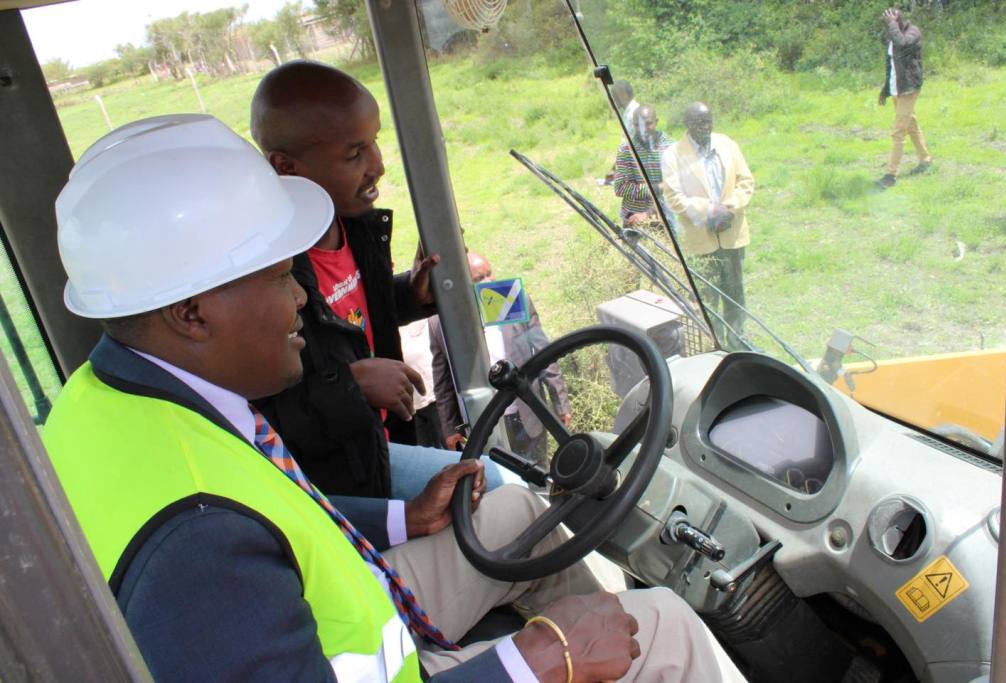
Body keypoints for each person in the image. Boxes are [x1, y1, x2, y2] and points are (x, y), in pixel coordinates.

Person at [43, 113, 745, 683]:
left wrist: (403, 517)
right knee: (665, 623)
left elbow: (274, 518)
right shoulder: (196, 548)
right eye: (282, 278)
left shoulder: (112, 396)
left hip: (339, 612)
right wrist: (537, 662)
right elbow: (229, 536)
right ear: (192, 314)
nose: (301, 300)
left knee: (514, 513)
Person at [249, 60, 506, 501]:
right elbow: (269, 415)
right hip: (339, 472)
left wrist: (409, 294)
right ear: (286, 167)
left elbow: (347, 313)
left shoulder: (355, 229)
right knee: (496, 486)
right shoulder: (268, 273)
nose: (379, 166)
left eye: (375, 143)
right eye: (355, 154)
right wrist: (352, 387)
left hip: (381, 437)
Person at [429, 252, 571, 468]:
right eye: (479, 279)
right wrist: (449, 428)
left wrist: (561, 404)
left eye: (489, 273)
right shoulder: (440, 323)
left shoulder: (513, 301)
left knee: (538, 471)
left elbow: (544, 353)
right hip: (484, 422)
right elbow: (443, 381)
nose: (489, 282)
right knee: (498, 476)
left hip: (526, 413)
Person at [660, 102, 755, 349]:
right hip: (700, 239)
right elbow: (673, 197)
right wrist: (709, 211)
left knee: (735, 292)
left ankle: (737, 341)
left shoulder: (727, 144)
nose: (705, 127)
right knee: (708, 297)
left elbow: (745, 181)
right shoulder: (672, 155)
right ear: (687, 124)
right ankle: (715, 347)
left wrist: (729, 208)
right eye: (699, 122)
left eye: (708, 121)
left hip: (731, 232)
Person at [876, 7, 932, 189]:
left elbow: (902, 43)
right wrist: (885, 90)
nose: (888, 26)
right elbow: (891, 66)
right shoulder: (891, 36)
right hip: (897, 88)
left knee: (898, 132)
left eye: (891, 22)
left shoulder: (913, 32)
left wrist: (892, 24)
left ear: (898, 20)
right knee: (911, 125)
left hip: (908, 88)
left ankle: (891, 175)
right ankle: (925, 160)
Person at [613, 104, 677, 232]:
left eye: (648, 124)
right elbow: (620, 187)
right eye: (638, 125)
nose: (643, 129)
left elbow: (676, 188)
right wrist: (654, 188)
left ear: (656, 122)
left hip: (665, 219)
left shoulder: (671, 148)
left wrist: (649, 214)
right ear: (633, 125)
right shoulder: (626, 150)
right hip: (633, 220)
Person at [400, 318, 446, 449]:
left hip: (436, 400)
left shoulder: (433, 324)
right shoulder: (399, 333)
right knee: (424, 449)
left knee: (447, 448)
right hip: (415, 404)